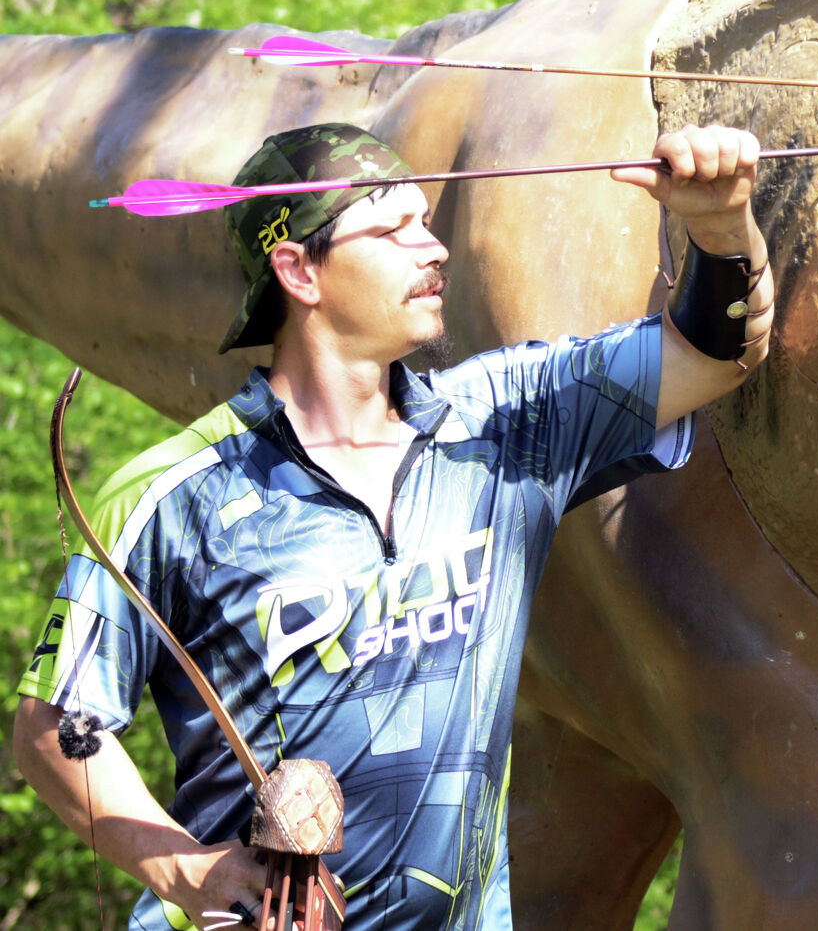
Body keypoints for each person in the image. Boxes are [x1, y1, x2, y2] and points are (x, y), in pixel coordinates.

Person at [12, 120, 771, 930]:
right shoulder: (175, 496)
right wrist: (187, 870)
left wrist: (721, 224)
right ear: (298, 269)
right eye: (391, 229)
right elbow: (52, 726)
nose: (432, 248)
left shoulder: (510, 420)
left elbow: (714, 350)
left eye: (426, 221)